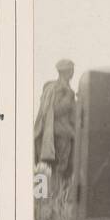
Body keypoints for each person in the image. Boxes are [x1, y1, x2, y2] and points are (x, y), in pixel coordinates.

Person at [34, 58, 76, 198]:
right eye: (71, 70)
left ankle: (58, 197)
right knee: (60, 167)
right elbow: (55, 111)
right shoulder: (58, 89)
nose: (73, 72)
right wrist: (68, 99)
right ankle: (56, 197)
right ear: (66, 71)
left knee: (64, 168)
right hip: (60, 133)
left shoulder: (65, 89)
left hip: (65, 132)